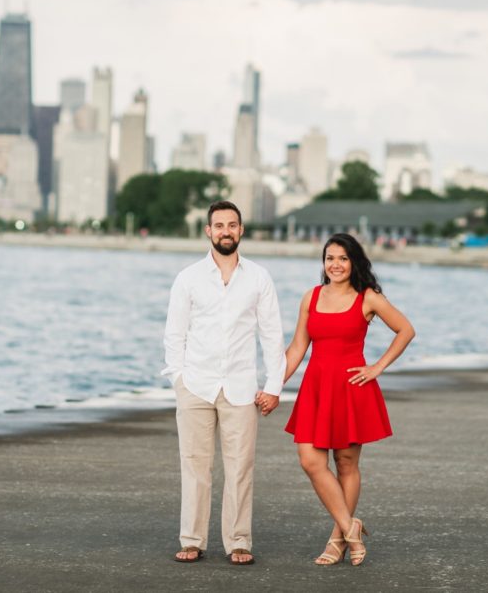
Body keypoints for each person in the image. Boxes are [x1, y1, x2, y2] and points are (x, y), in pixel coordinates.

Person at [273, 232, 415, 567]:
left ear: (354, 262)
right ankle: (352, 527)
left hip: (351, 388)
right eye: (330, 258)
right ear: (323, 262)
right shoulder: (311, 297)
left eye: (342, 258)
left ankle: (337, 539)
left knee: (346, 465)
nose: (335, 265)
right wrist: (272, 385)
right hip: (317, 388)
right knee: (310, 461)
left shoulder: (368, 298)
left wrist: (377, 367)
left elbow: (406, 330)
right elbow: (296, 348)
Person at [162, 200, 286, 565]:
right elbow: (175, 334)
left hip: (241, 386)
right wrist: (178, 380)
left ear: (241, 230)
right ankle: (192, 539)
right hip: (195, 385)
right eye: (219, 225)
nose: (226, 231)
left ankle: (239, 540)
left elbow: (272, 336)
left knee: (240, 466)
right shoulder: (188, 278)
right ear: (208, 231)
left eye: (232, 225)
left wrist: (274, 386)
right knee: (195, 464)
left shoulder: (259, 278)